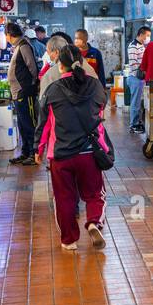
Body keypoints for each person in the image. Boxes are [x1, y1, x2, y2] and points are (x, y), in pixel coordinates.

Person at [36, 43, 108, 251]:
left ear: (60, 65)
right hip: (88, 152)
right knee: (95, 194)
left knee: (64, 198)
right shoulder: (95, 86)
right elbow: (99, 115)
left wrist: (38, 149)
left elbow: (45, 124)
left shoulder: (53, 90)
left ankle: (69, 241)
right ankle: (94, 222)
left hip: (61, 155)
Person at [5, 21, 41, 166]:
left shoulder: (24, 46)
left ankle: (33, 154)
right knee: (22, 124)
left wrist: (32, 84)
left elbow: (32, 67)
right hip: (18, 92)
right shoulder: (18, 46)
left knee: (29, 124)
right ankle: (25, 152)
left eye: (6, 34)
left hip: (25, 92)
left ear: (9, 35)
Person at [126, 26, 151, 135]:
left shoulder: (141, 46)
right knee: (135, 103)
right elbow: (133, 64)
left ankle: (137, 122)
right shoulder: (133, 46)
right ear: (141, 34)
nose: (148, 37)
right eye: (147, 35)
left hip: (140, 78)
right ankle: (133, 125)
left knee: (139, 103)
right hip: (135, 78)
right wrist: (143, 73)